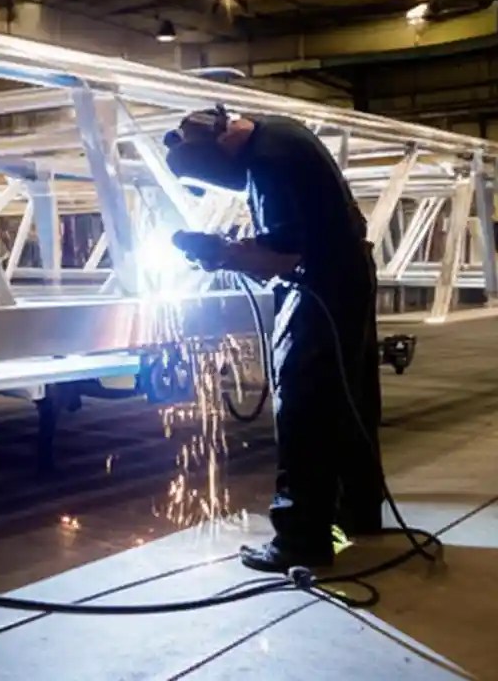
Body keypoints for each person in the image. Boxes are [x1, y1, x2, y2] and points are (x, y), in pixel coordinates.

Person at [164, 106, 386, 573]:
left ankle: (300, 540)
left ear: (222, 149)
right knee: (349, 401)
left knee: (306, 407)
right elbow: (294, 233)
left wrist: (221, 254)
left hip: (319, 290)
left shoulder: (267, 162)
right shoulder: (280, 135)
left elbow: (283, 257)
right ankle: (358, 513)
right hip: (346, 279)